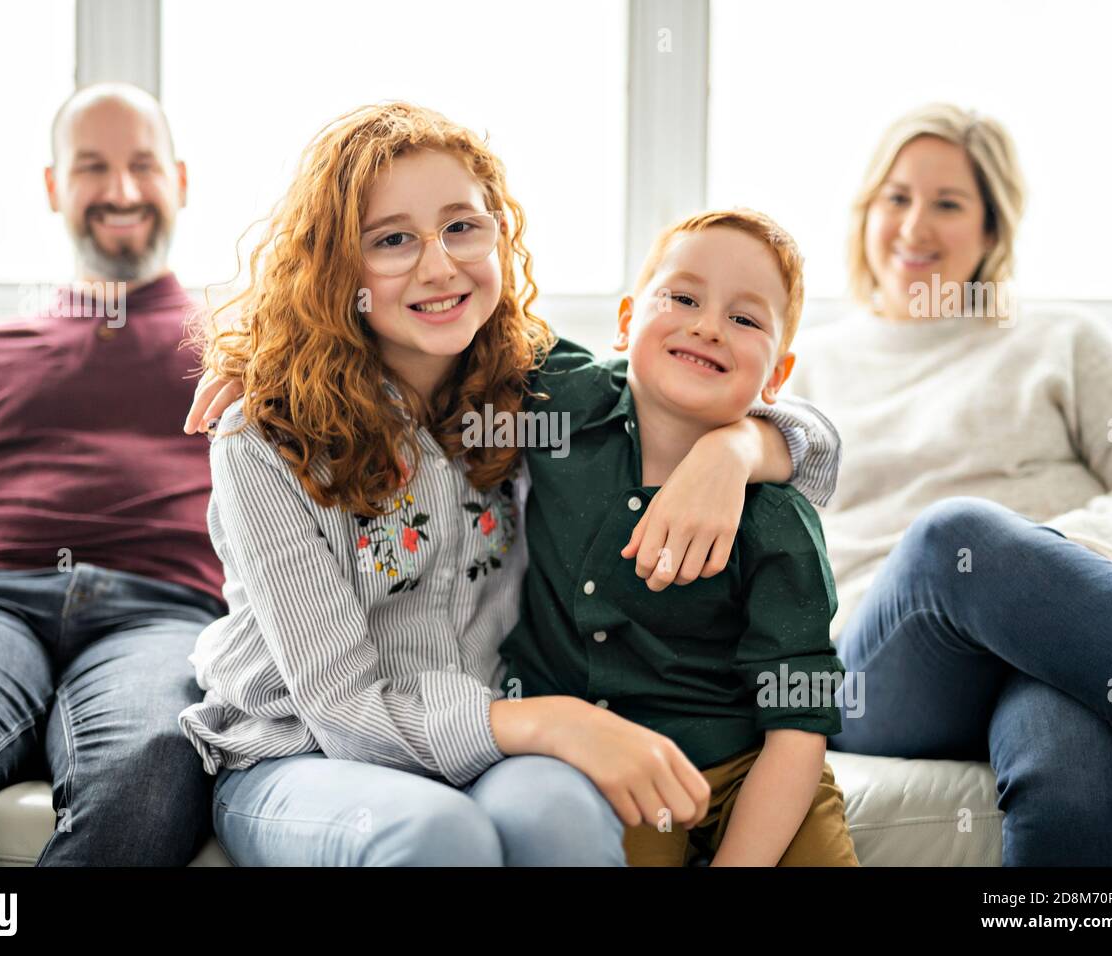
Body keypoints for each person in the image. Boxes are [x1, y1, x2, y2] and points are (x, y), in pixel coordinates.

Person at [178, 103, 843, 865]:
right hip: (303, 754)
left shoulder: (524, 385)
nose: (439, 266)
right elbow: (346, 714)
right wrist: (554, 722)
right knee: (436, 832)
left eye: (462, 227)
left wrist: (734, 449)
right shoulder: (264, 436)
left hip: (491, 741)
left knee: (562, 810)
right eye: (393, 240)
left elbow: (803, 444)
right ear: (337, 267)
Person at [787, 102, 1112, 865]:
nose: (915, 225)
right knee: (952, 537)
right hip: (887, 669)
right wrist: (1003, 558)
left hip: (1051, 650)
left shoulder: (1061, 338)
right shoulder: (806, 368)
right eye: (897, 197)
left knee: (1078, 771)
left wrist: (1041, 561)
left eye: (949, 203)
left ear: (993, 229)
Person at [0, 82, 225, 865]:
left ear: (182, 180)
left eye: (143, 164)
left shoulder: (243, 354)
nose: (122, 190)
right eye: (93, 166)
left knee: (155, 765)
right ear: (56, 186)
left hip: (167, 620)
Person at [499, 209, 858, 866]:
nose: (707, 325)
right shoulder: (557, 397)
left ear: (778, 374)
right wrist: (251, 361)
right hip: (609, 763)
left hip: (750, 764)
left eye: (745, 319)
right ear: (627, 318)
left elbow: (797, 726)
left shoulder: (778, 518)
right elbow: (451, 320)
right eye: (683, 297)